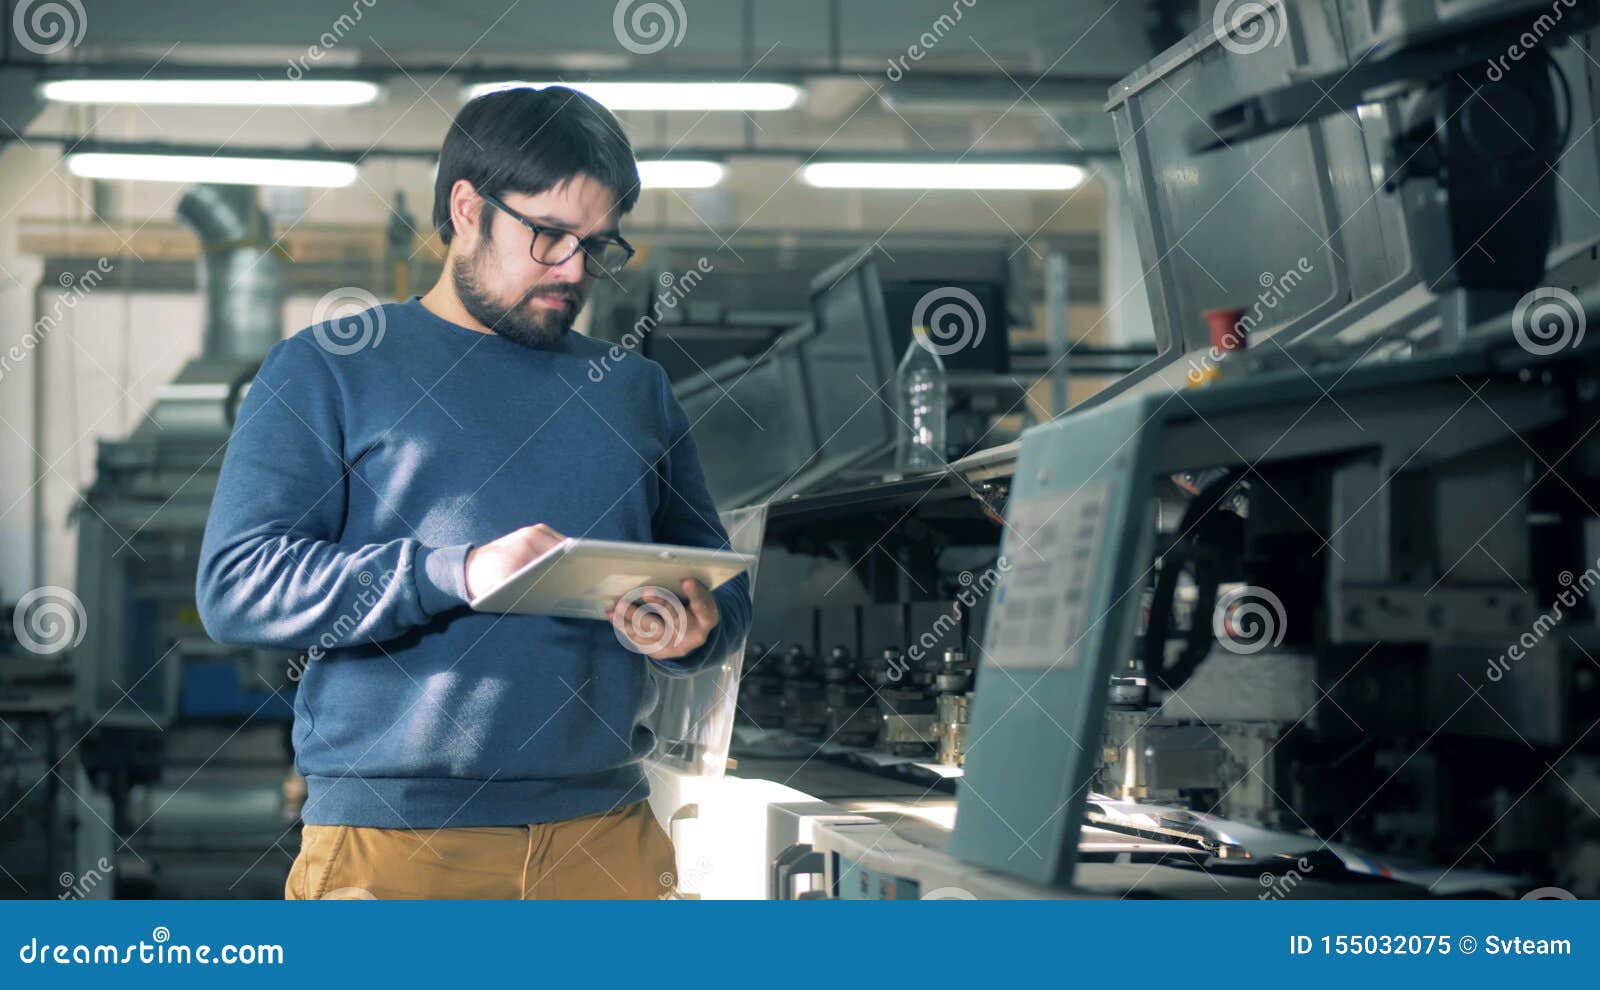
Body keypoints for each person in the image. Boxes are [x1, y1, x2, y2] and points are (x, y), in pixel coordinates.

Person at [196, 85, 751, 900]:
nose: (574, 269)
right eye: (550, 235)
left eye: (598, 245)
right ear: (467, 208)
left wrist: (691, 628)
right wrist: (452, 572)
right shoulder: (329, 369)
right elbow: (238, 586)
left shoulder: (633, 390)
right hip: (395, 847)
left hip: (607, 842)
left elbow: (722, 593)